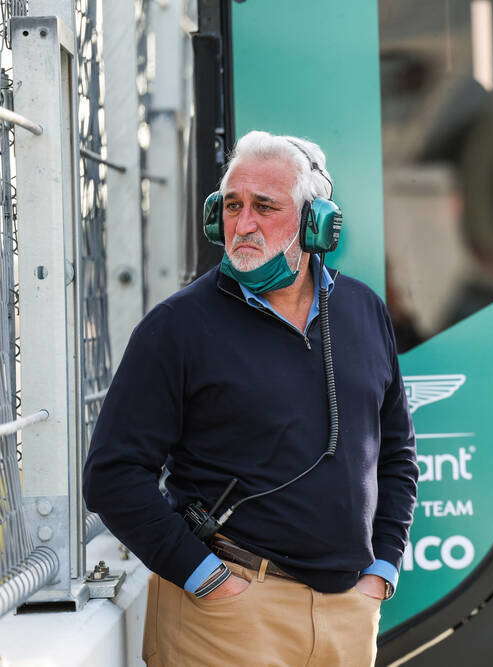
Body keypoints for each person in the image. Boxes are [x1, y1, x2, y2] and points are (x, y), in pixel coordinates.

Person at [82, 130, 418, 666]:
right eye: (232, 206)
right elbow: (113, 475)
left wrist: (383, 570)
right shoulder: (176, 327)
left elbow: (396, 453)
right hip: (226, 616)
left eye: (265, 207)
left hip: (348, 618)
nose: (243, 224)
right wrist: (208, 580)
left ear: (317, 223)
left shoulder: (362, 309)